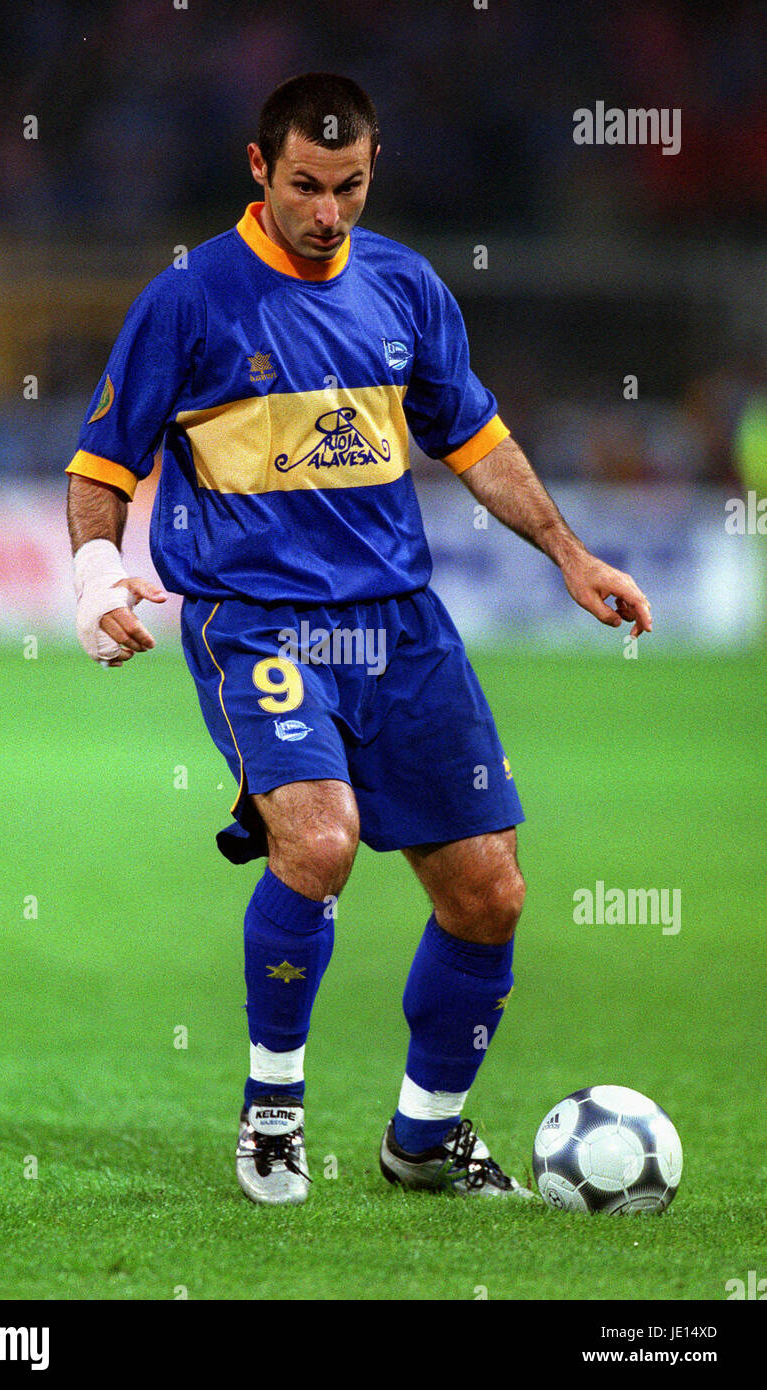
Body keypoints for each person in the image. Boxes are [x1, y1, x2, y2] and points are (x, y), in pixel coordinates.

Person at [66, 72, 652, 1206]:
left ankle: (421, 1141)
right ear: (256, 168)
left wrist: (570, 555)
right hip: (258, 620)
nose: (328, 211)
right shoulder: (189, 300)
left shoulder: (405, 285)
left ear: (371, 167)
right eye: (304, 186)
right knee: (319, 841)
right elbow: (100, 466)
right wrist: (94, 572)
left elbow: (474, 439)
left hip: (400, 629)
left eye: (349, 186)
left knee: (489, 893)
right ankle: (272, 1113)